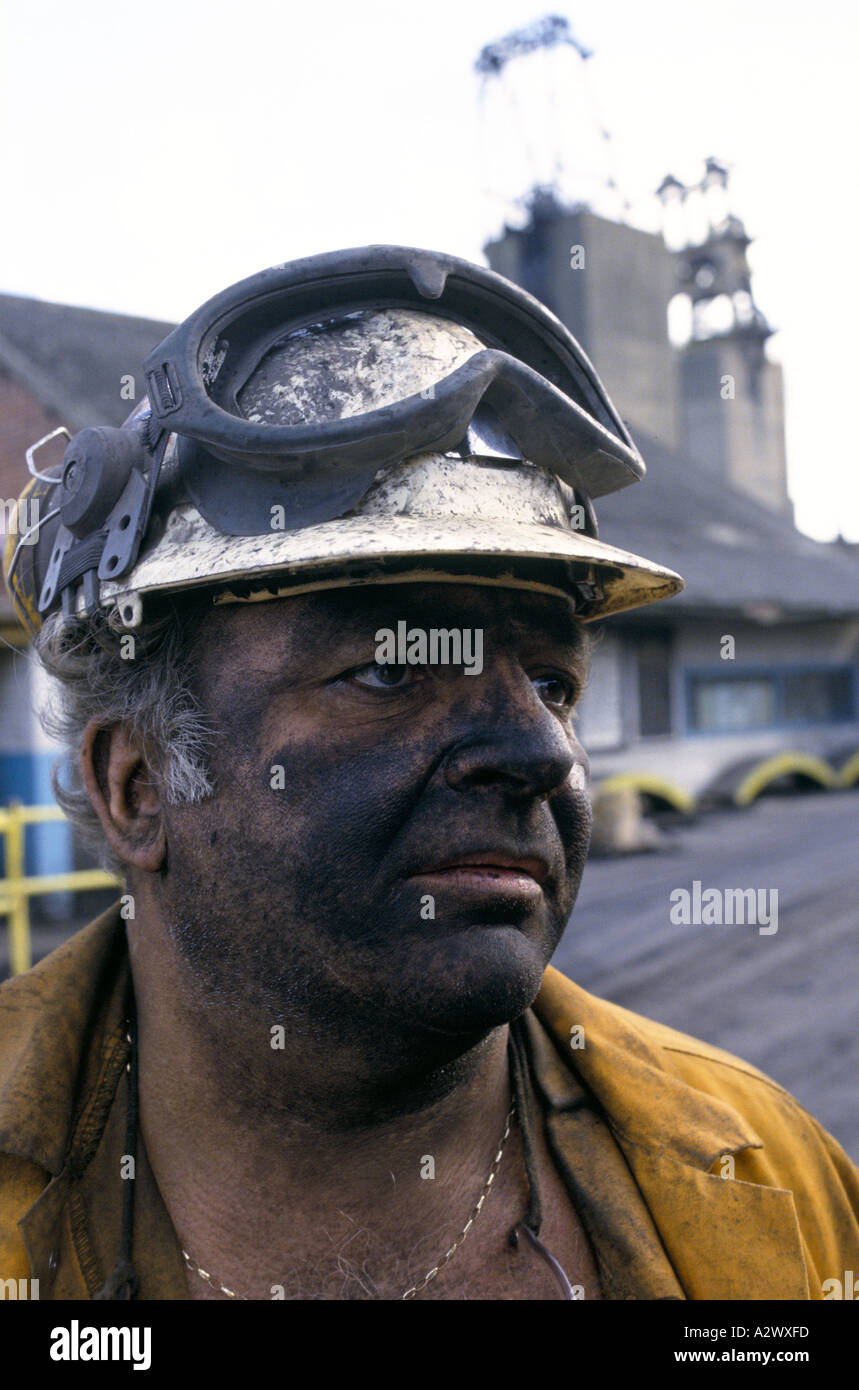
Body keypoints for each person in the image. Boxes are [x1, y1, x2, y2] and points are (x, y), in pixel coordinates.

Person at [1, 246, 856, 1301]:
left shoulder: (769, 1181)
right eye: (388, 669)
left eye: (553, 683)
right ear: (138, 786)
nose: (540, 751)